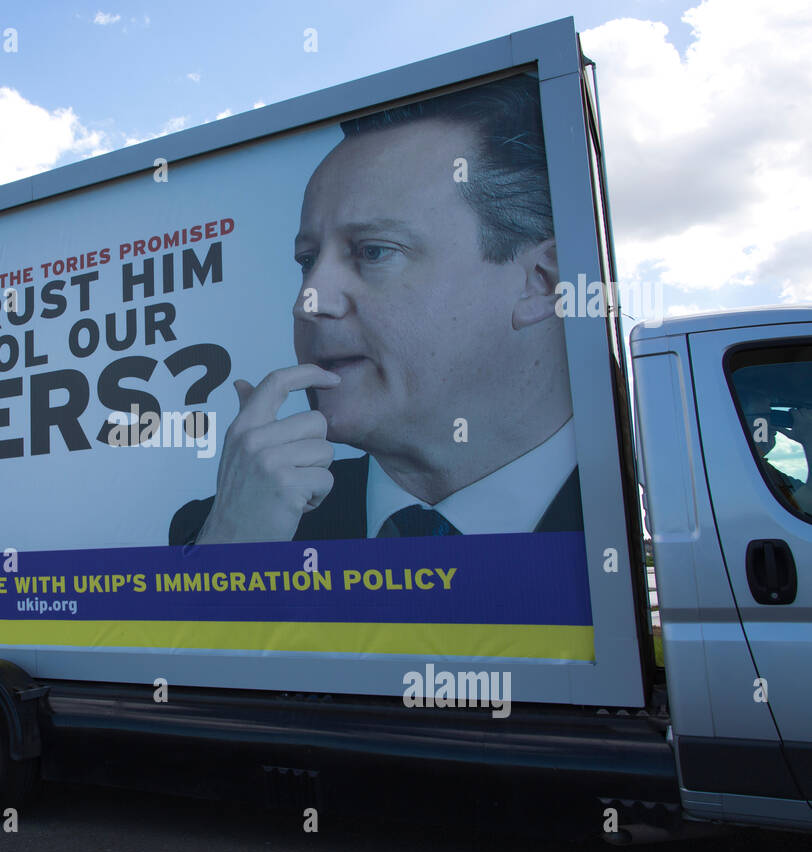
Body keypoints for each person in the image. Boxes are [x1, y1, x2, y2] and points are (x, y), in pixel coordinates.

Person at [170, 73, 582, 545]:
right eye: (307, 260)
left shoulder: (651, 511)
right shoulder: (225, 529)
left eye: (373, 252)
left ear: (540, 284)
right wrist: (231, 561)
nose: (308, 302)